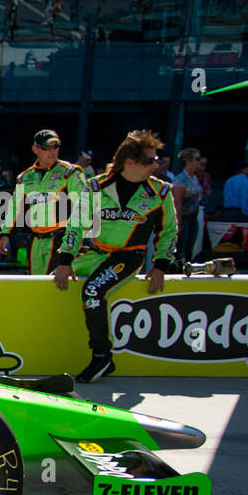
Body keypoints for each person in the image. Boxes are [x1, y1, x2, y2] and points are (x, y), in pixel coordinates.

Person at [68, 130, 178, 384]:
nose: (157, 164)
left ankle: (102, 355)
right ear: (130, 162)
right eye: (151, 160)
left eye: (156, 159)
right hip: (94, 252)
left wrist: (161, 265)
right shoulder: (95, 186)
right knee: (51, 280)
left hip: (128, 256)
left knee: (93, 291)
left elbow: (169, 231)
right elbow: (75, 225)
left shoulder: (161, 192)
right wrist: (65, 260)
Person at [0, 129, 89, 275]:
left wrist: (81, 237)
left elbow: (85, 205)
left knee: (55, 285)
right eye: (47, 148)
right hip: (35, 241)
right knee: (36, 284)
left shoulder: (70, 173)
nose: (51, 152)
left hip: (63, 240)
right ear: (35, 149)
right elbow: (15, 207)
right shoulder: (25, 177)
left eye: (55, 147)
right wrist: (6, 234)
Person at [171, 148, 205, 265]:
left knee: (190, 247)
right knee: (181, 247)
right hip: (184, 218)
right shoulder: (180, 179)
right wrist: (178, 223)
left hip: (193, 217)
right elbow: (177, 202)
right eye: (197, 159)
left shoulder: (194, 178)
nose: (199, 162)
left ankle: (188, 267)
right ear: (189, 161)